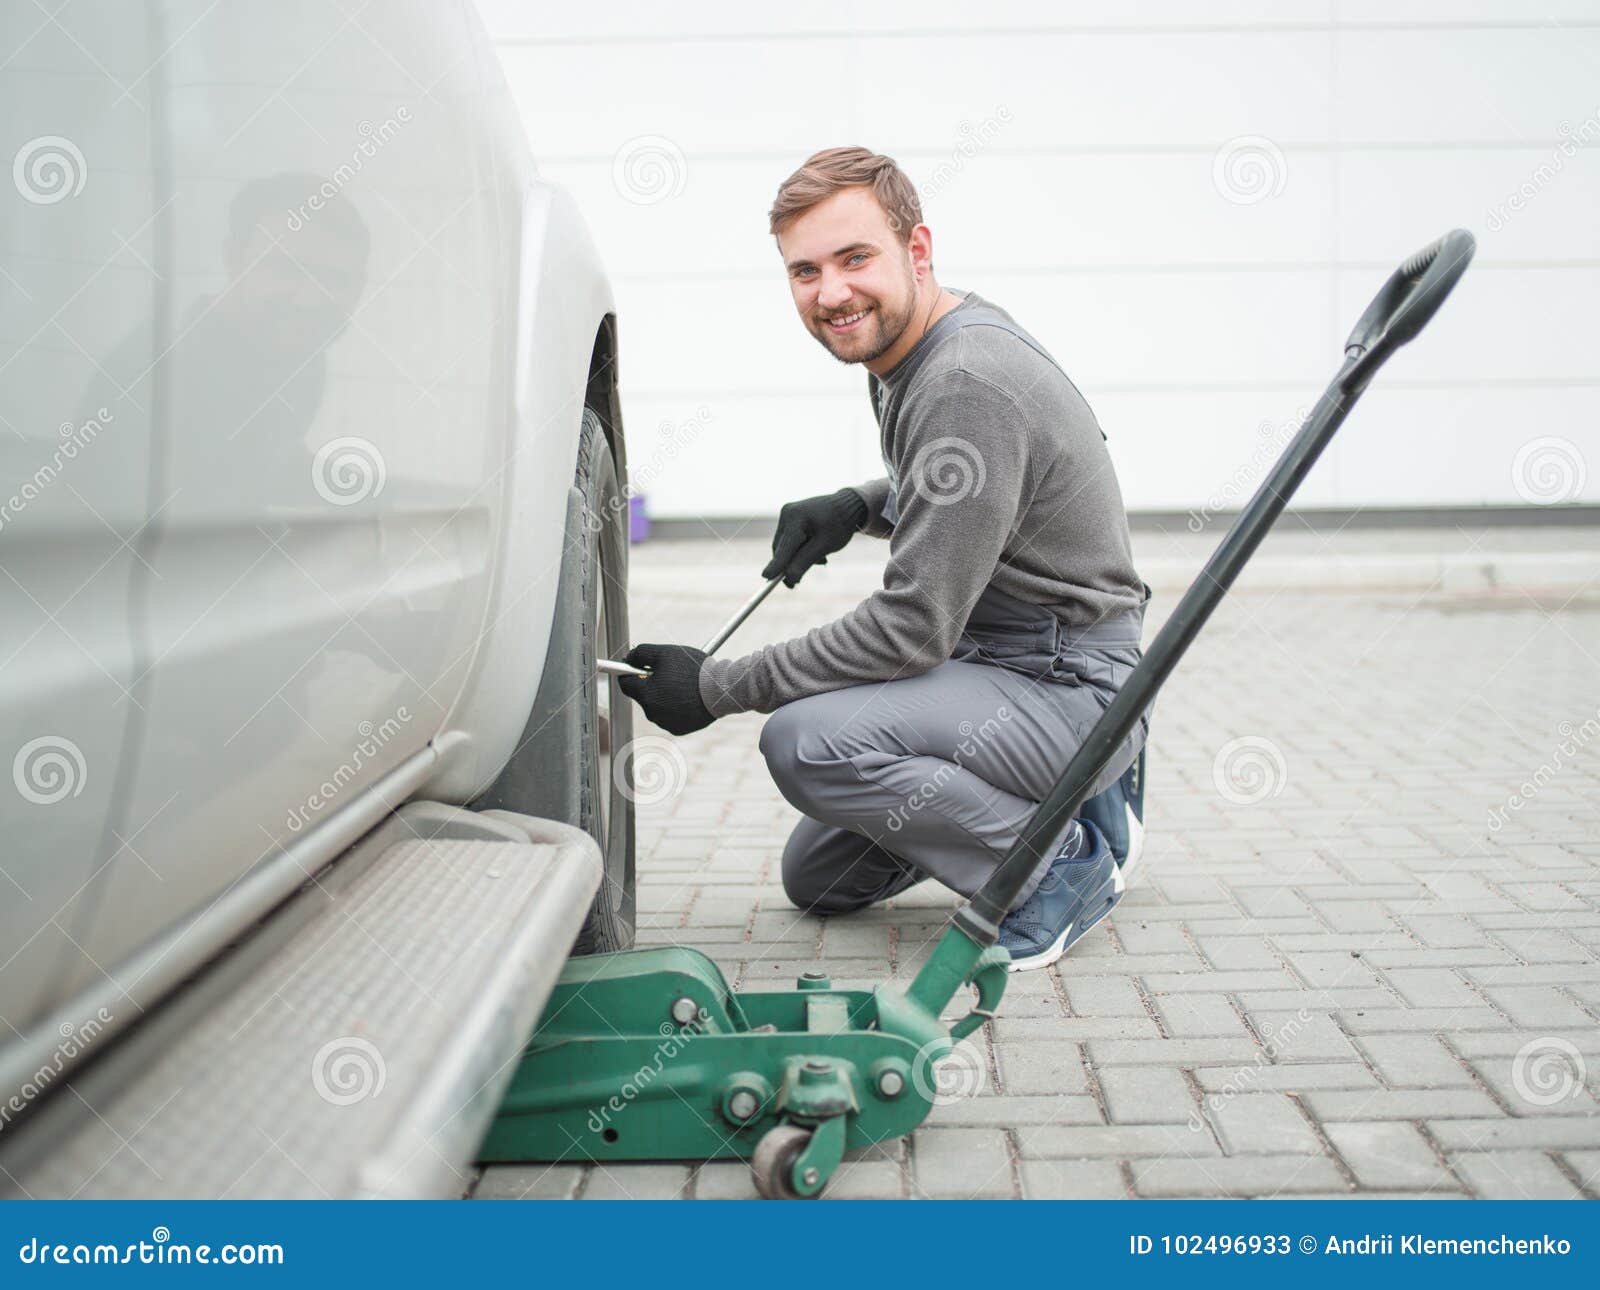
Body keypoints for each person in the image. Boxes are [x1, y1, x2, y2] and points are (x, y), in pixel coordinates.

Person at [620, 146, 1148, 970]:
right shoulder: (916, 348)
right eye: (805, 271)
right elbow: (972, 483)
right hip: (1003, 671)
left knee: (808, 745)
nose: (831, 293)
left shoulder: (966, 378)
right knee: (819, 881)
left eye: (854, 258)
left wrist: (717, 687)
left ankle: (1059, 866)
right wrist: (860, 506)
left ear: (918, 249)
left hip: (1068, 684)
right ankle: (1058, 804)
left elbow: (910, 631)